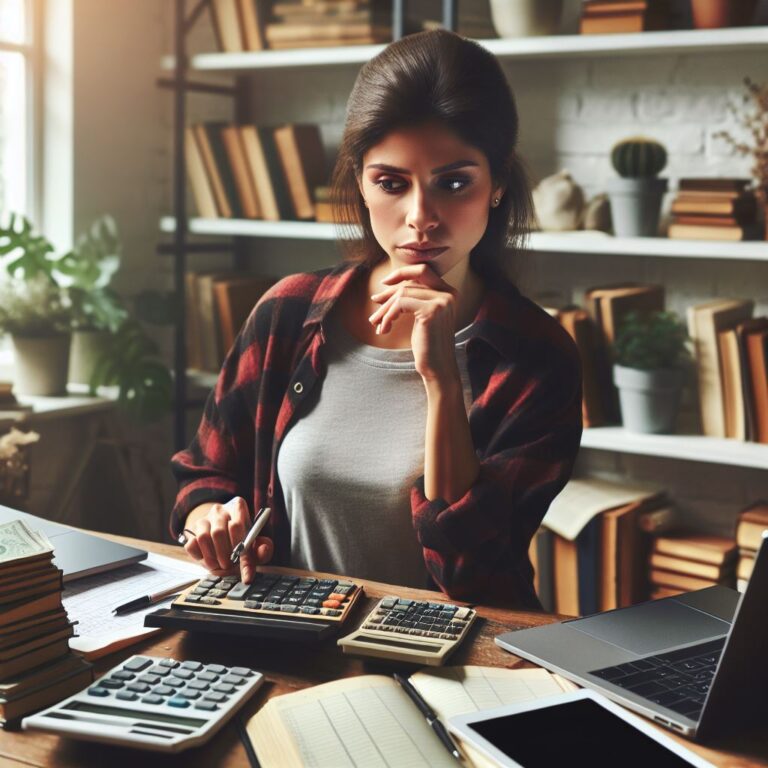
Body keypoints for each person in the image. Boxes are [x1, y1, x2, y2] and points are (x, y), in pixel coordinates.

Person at [170, 29, 582, 609]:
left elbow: (471, 567)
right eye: (391, 183)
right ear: (361, 183)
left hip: (461, 664)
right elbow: (205, 471)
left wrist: (441, 377)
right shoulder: (287, 314)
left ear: (497, 187)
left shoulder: (538, 357)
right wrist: (209, 517)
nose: (421, 218)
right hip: (290, 643)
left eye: (454, 182)